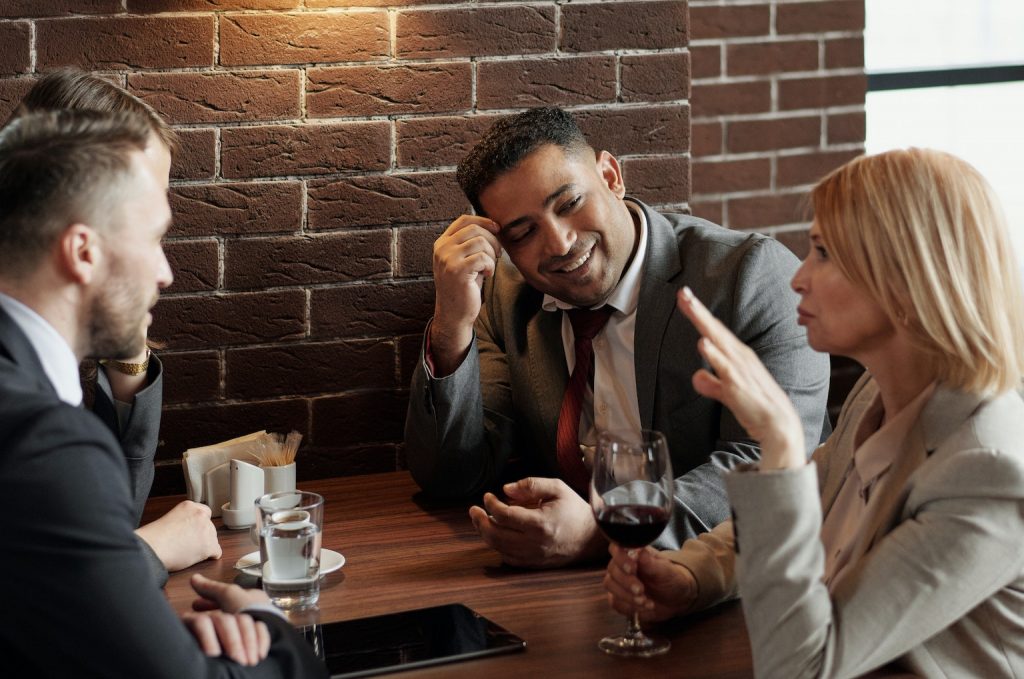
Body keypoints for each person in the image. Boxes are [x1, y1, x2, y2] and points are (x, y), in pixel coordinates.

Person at [604, 148, 1024, 677]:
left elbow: (802, 668)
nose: (798, 278)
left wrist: (781, 445)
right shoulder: (877, 394)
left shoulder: (986, 470)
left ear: (907, 281)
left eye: (823, 253)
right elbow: (800, 518)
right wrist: (690, 577)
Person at [405, 107, 831, 568]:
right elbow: (450, 475)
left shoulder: (751, 278)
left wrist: (603, 529)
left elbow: (771, 466)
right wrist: (451, 326)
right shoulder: (506, 295)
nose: (560, 243)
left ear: (611, 177)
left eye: (569, 204)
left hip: (748, 571)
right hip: (570, 583)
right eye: (524, 233)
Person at [0, 109, 326, 676]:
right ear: (83, 252)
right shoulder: (43, 440)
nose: (166, 272)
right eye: (154, 239)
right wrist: (270, 625)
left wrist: (158, 640)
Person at [12, 68, 220, 578]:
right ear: (82, 241)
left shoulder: (33, 355)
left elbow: (96, 527)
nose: (165, 272)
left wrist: (128, 349)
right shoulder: (23, 412)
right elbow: (53, 591)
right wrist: (151, 550)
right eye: (148, 230)